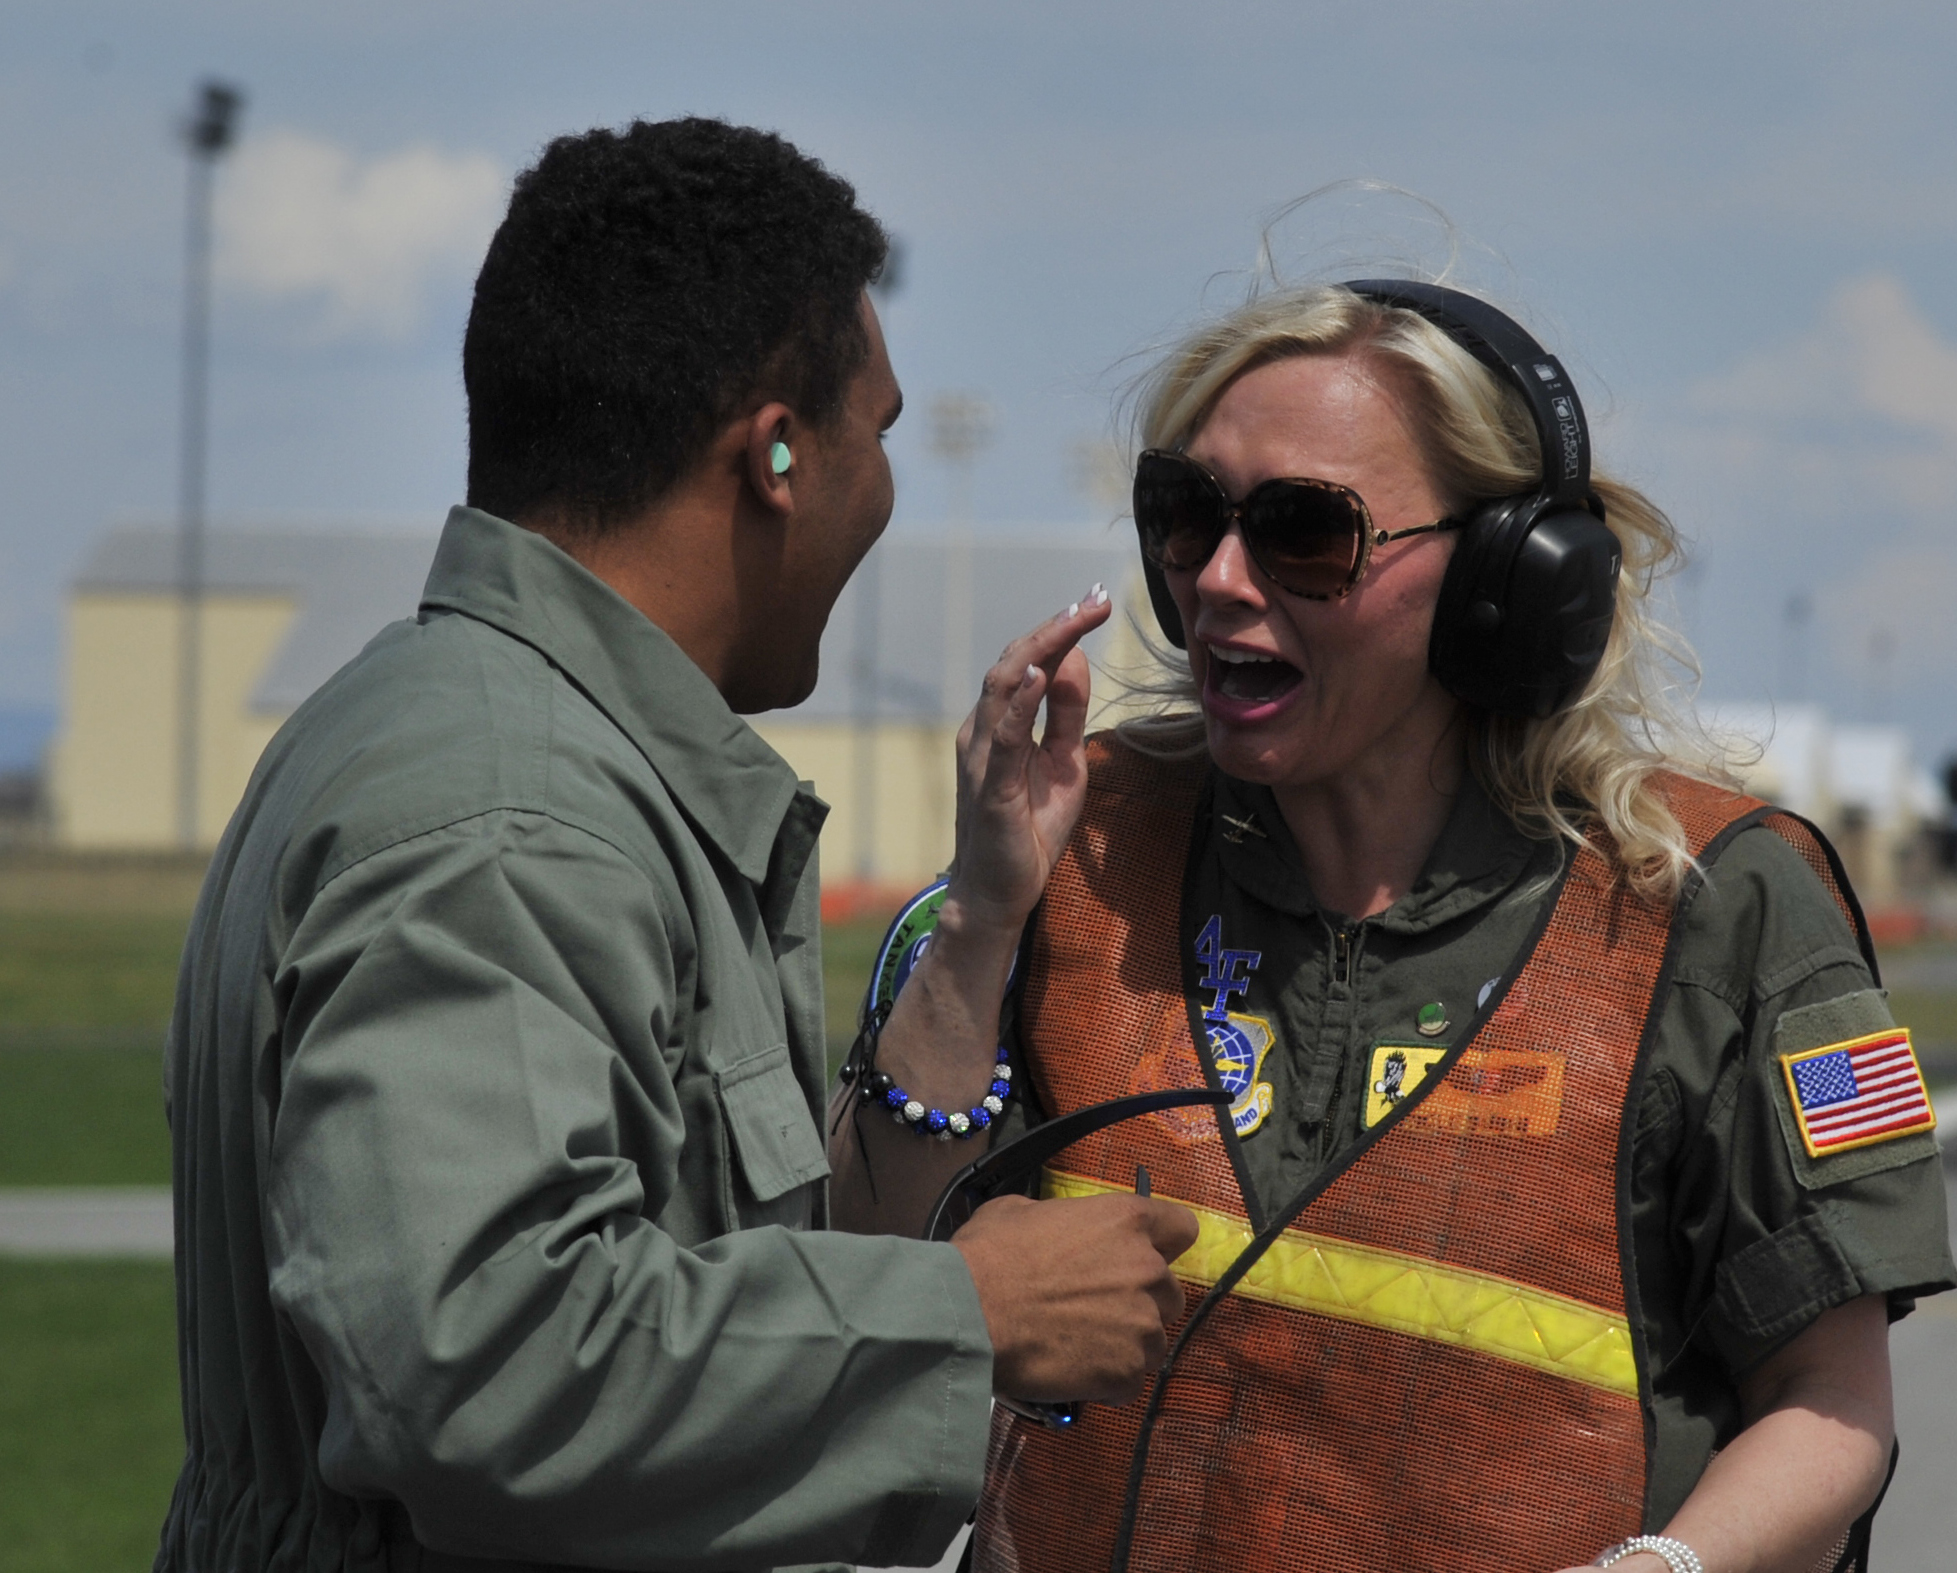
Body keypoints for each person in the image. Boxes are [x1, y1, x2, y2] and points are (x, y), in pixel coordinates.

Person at [157, 118, 1197, 1573]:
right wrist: (971, 1316)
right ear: (774, 450)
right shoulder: (511, 812)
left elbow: (674, 1256)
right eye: (878, 433)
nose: (884, 493)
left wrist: (977, 922)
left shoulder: (473, 734)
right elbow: (484, 1373)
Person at [832, 278, 1957, 1573]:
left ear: (1504, 582)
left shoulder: (1713, 906)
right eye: (1184, 516)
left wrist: (1658, 1571)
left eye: (1303, 533)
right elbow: (863, 1278)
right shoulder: (1077, 840)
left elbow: (1832, 1404)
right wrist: (980, 921)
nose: (1215, 578)